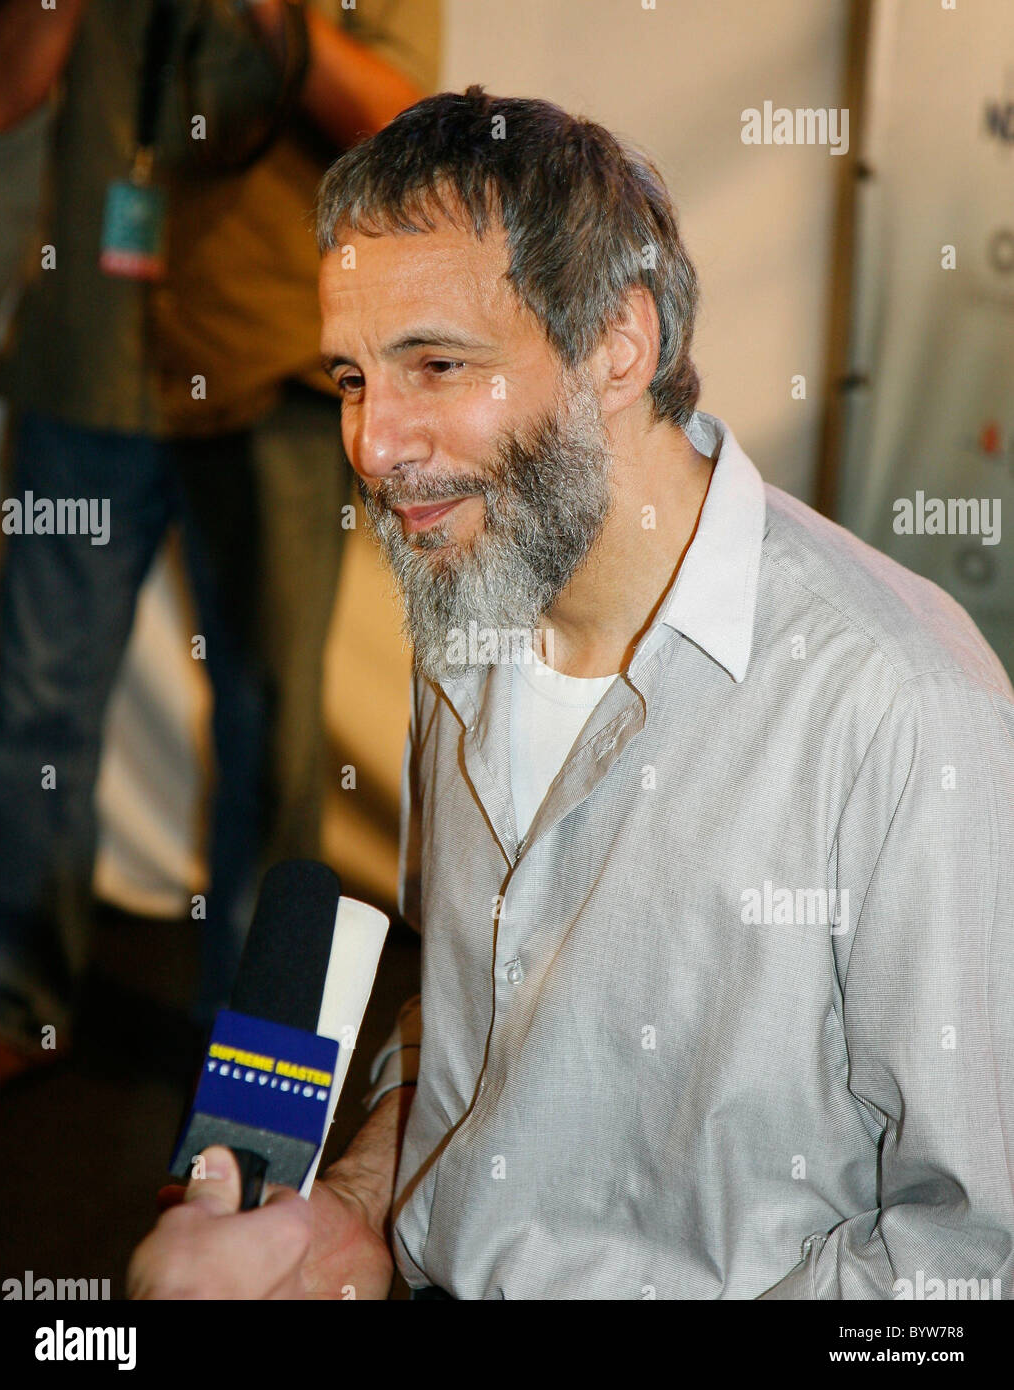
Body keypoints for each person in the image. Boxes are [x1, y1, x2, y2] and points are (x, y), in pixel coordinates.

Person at [128, 87, 1014, 1301]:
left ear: (617, 343)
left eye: (437, 362)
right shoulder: (467, 616)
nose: (376, 444)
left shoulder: (903, 707)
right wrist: (349, 1211)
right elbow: (472, 1024)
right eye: (348, 378)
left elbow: (970, 1257)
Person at [0, 0, 437, 1098]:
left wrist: (284, 23)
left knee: (270, 717)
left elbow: (407, 129)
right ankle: (9, 999)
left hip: (266, 362)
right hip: (85, 358)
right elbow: (0, 96)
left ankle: (258, 1047)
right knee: (35, 703)